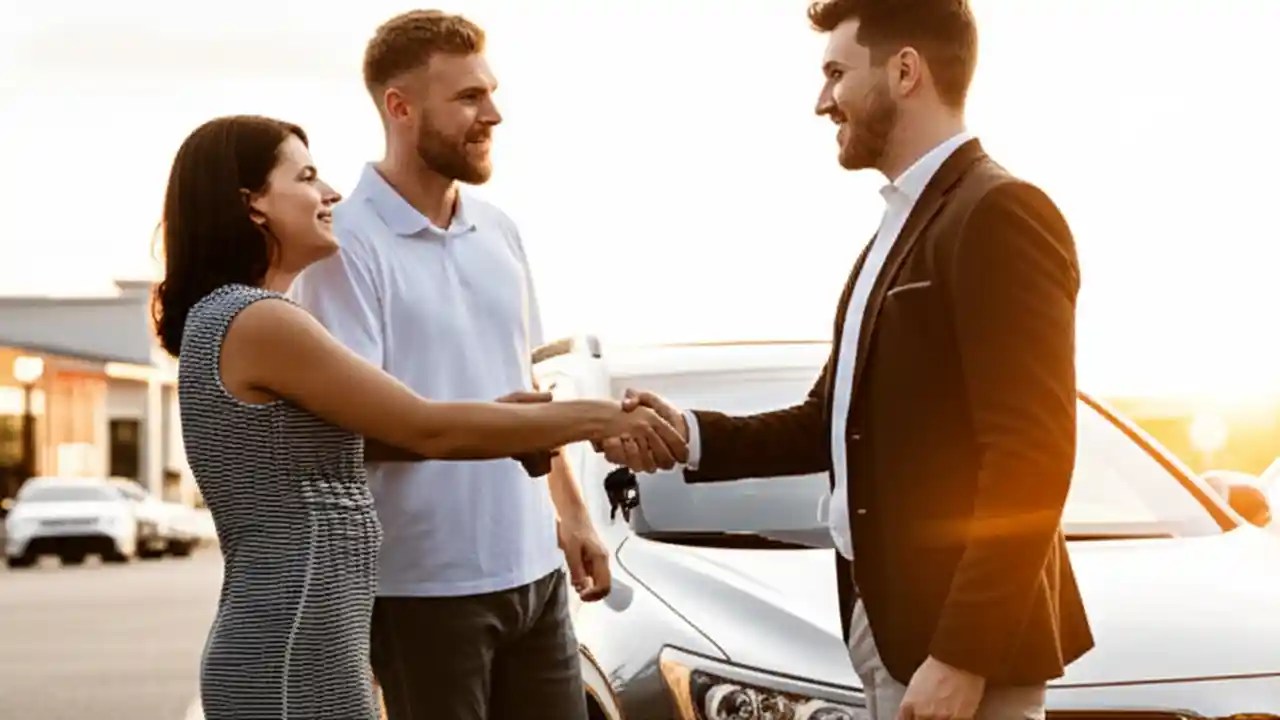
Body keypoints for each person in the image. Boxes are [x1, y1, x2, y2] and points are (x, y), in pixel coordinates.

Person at [607, 1, 1094, 718]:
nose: (820, 101)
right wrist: (689, 431)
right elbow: (828, 422)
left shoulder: (1000, 212)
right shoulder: (897, 229)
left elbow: (1032, 456)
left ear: (905, 72)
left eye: (835, 73)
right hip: (885, 627)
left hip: (955, 648)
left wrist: (961, 656)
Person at [154, 114, 686, 720]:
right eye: (305, 177)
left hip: (308, 641)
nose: (330, 193)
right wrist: (598, 417)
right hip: (291, 653)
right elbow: (423, 424)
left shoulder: (244, 317)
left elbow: (375, 437)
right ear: (252, 206)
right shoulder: (260, 321)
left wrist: (509, 426)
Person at [287, 11, 653, 720]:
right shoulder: (346, 246)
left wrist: (571, 514)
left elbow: (524, 391)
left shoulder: (501, 231)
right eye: (468, 99)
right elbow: (348, 430)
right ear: (399, 107)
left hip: (536, 575)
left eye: (489, 91)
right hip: (420, 586)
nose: (494, 114)